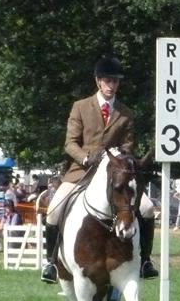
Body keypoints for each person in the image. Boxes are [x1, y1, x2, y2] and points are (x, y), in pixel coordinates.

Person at [41, 56, 158, 283]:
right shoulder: (81, 107)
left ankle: (145, 260)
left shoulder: (125, 113)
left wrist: (117, 157)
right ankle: (51, 262)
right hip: (81, 171)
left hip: (114, 174)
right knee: (54, 209)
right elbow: (70, 143)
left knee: (147, 208)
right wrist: (85, 158)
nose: (111, 85)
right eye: (108, 81)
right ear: (98, 81)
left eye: (115, 81)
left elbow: (128, 145)